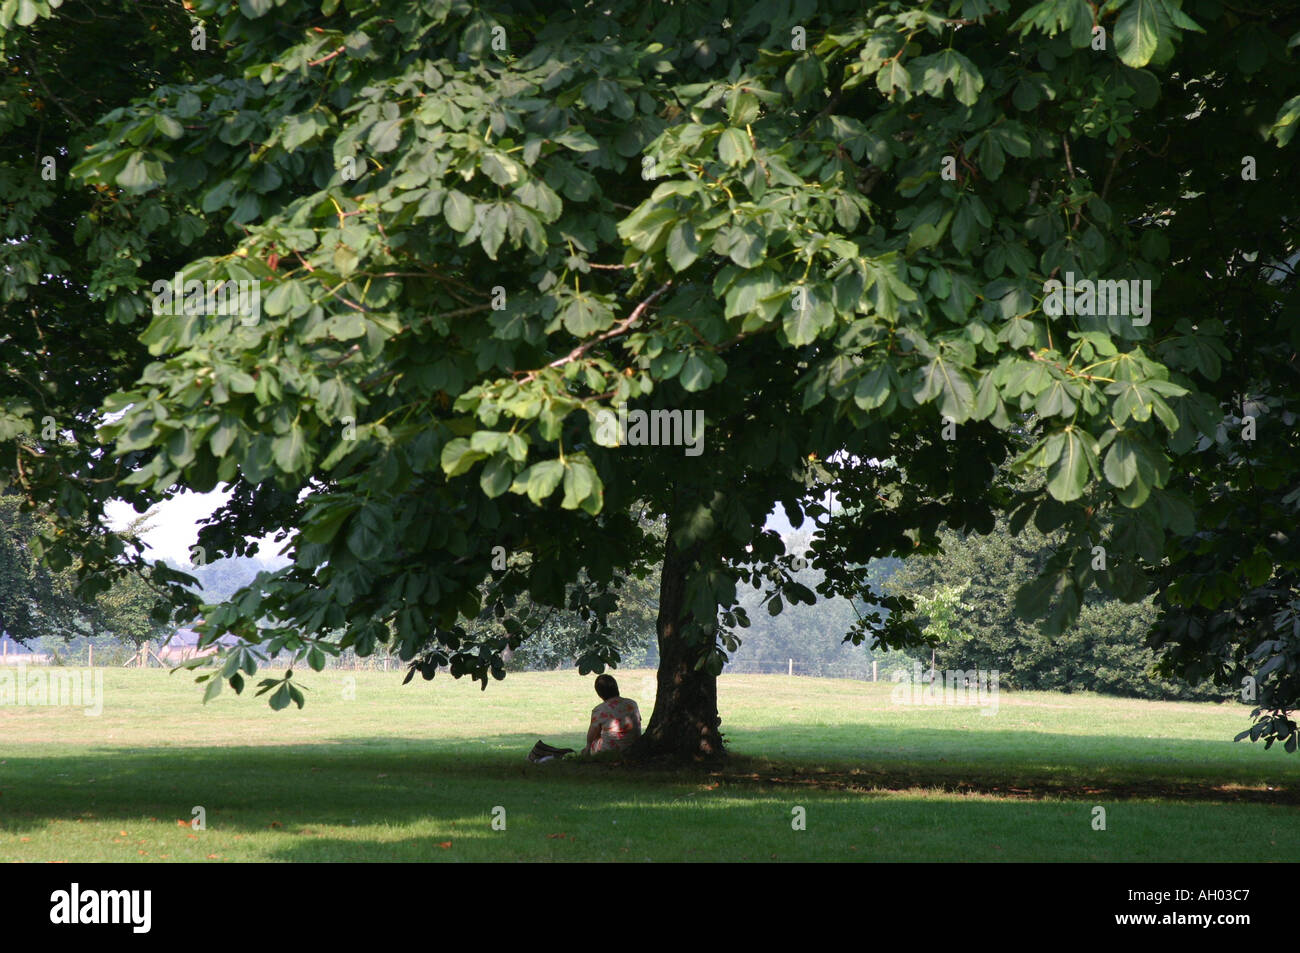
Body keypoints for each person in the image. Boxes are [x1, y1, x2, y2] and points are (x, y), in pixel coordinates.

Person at [584, 674, 641, 755]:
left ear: (599, 693)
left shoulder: (599, 710)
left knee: (596, 738)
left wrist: (588, 746)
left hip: (609, 751)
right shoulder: (632, 704)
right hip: (634, 747)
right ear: (616, 688)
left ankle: (588, 753)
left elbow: (592, 734)